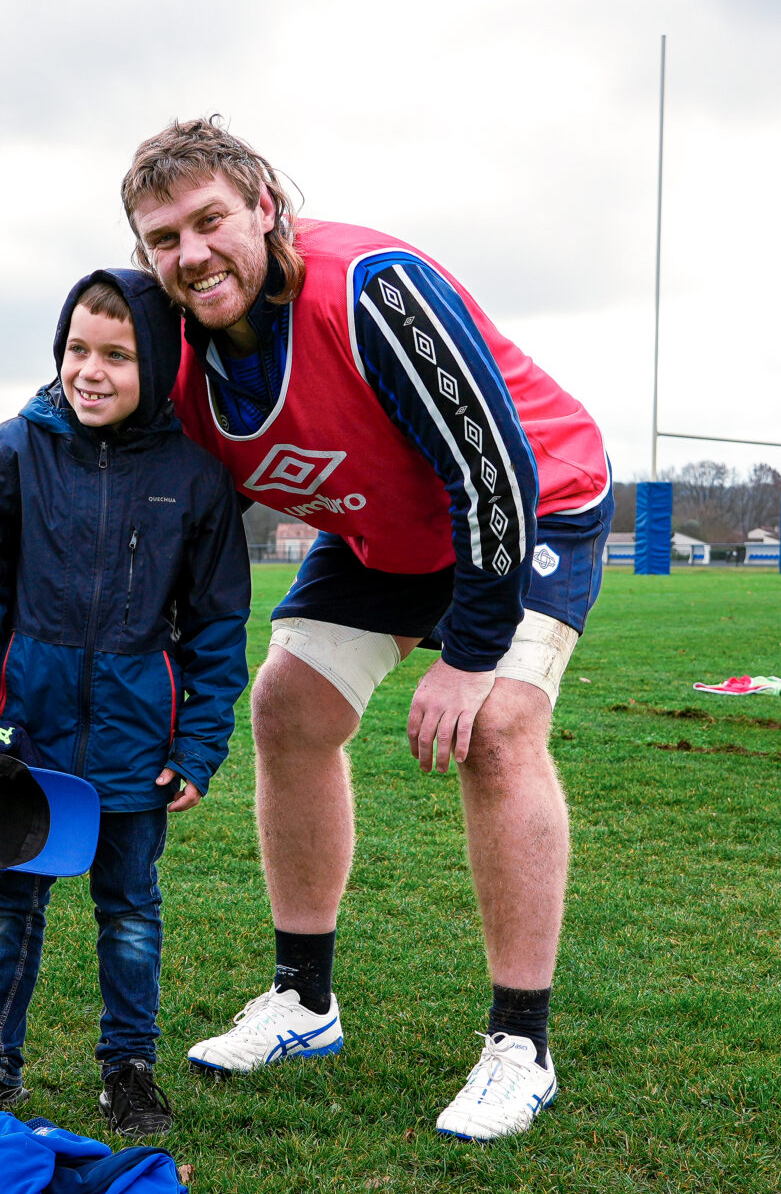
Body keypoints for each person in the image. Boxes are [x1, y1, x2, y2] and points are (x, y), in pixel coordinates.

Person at [122, 118, 612, 1142]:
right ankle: (304, 1002)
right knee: (288, 708)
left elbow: (491, 472)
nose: (191, 253)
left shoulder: (370, 290)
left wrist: (469, 658)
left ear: (264, 206)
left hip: (531, 501)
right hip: (380, 525)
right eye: (162, 237)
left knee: (497, 727)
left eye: (209, 219)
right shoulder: (171, 351)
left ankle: (520, 1043)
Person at [0, 269, 251, 1137]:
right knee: (8, 912)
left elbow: (217, 629)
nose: (89, 371)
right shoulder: (13, 452)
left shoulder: (195, 478)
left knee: (130, 912)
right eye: (76, 349)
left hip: (139, 746)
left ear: (161, 364)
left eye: (116, 354)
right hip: (23, 739)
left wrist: (200, 743)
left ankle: (129, 1071)